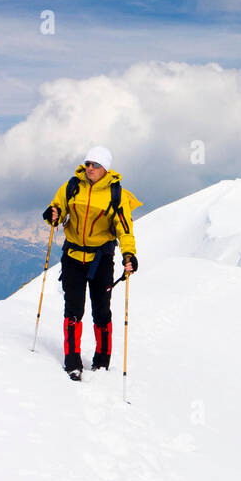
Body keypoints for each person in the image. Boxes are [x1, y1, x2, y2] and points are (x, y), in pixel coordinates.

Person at [42, 145, 141, 380]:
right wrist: (52, 214)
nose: (90, 168)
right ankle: (72, 360)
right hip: (73, 257)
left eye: (95, 164)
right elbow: (59, 208)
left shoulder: (116, 194)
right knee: (73, 309)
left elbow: (124, 230)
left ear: (105, 168)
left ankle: (102, 360)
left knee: (101, 311)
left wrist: (129, 255)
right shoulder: (72, 186)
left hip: (101, 259)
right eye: (87, 163)